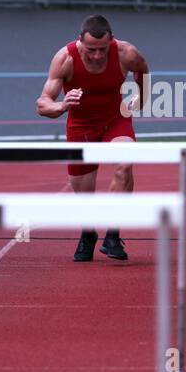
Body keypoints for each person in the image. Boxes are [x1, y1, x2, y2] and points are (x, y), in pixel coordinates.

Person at [36, 15, 150, 262]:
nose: (98, 55)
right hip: (81, 127)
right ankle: (88, 232)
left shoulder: (125, 52)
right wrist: (62, 105)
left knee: (124, 164)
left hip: (115, 120)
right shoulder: (65, 59)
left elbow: (143, 68)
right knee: (84, 194)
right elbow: (43, 104)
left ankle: (112, 234)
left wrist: (142, 97)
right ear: (80, 42)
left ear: (111, 41)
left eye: (102, 49)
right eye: (91, 50)